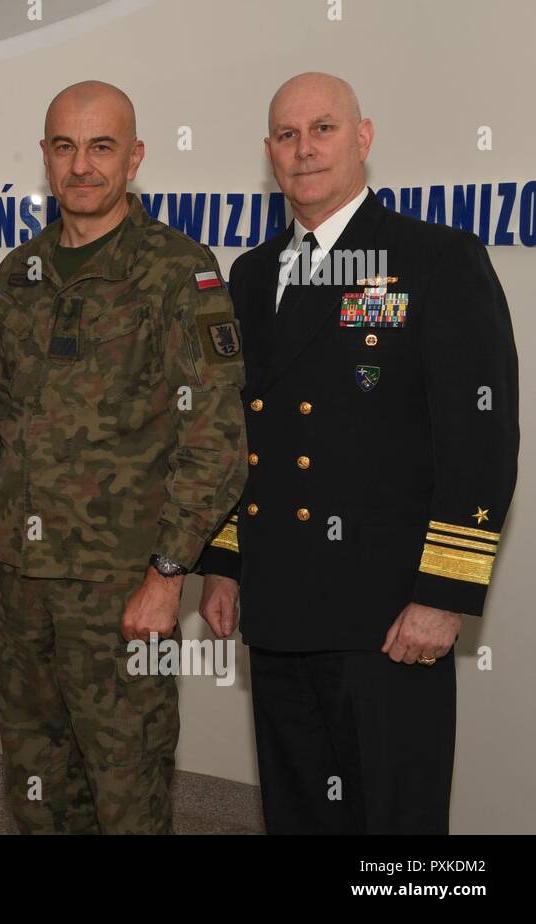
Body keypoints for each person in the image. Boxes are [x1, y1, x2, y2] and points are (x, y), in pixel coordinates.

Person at [196, 72, 519, 833]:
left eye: (323, 129)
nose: (303, 150)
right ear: (268, 152)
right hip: (278, 611)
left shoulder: (436, 258)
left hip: (390, 616)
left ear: (364, 138)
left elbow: (482, 438)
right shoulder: (251, 274)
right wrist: (226, 563)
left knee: (394, 830)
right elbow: (245, 439)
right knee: (300, 814)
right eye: (286, 135)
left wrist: (445, 593)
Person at [0, 81, 248, 833]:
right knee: (37, 784)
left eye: (101, 146)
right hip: (20, 585)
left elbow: (215, 438)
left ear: (135, 157)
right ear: (46, 156)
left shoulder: (181, 271)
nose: (81, 165)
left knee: (127, 789)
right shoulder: (19, 274)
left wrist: (168, 573)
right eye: (64, 146)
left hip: (123, 592)